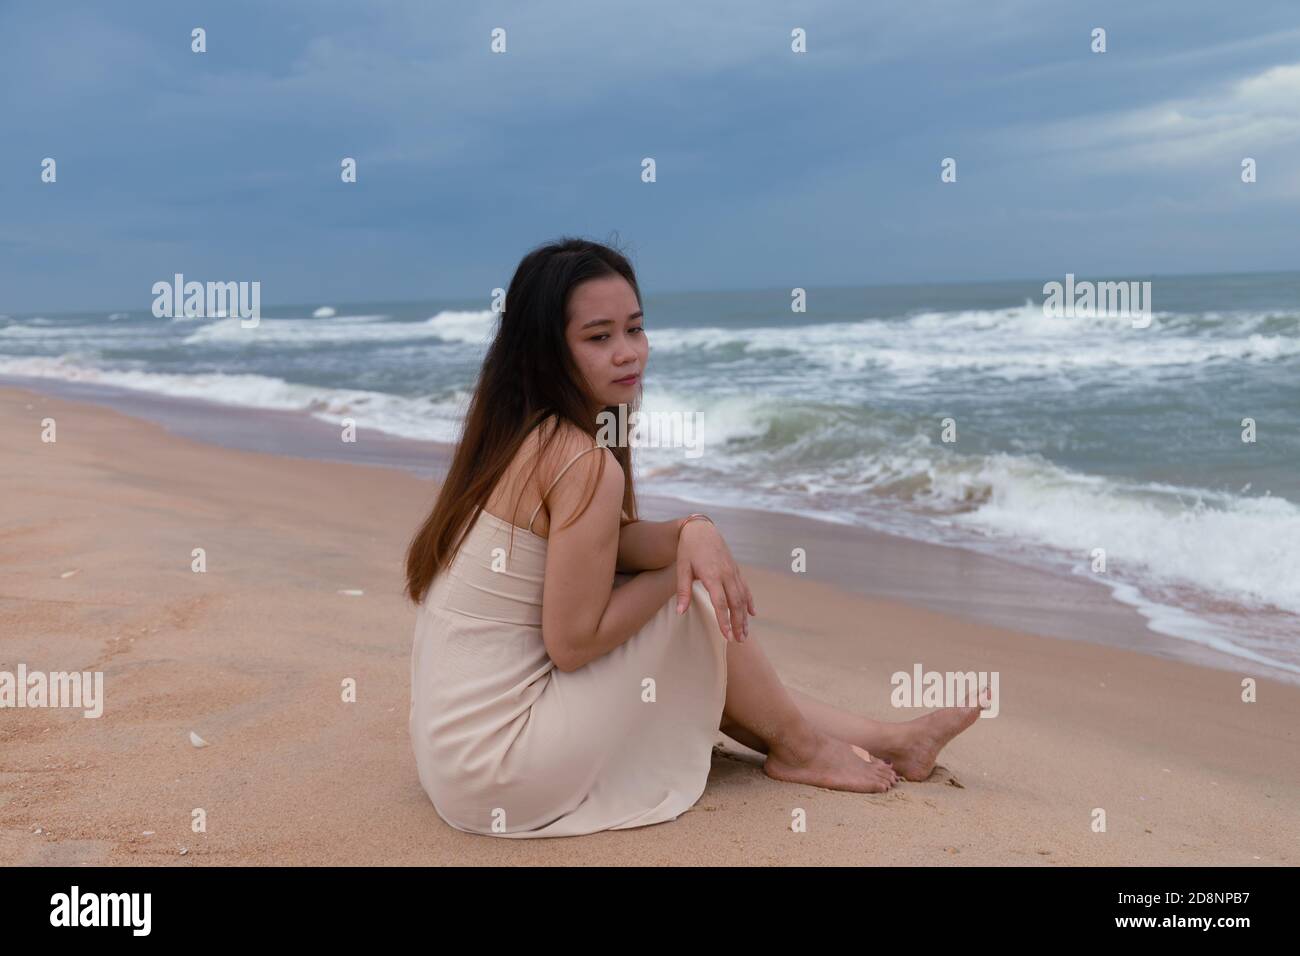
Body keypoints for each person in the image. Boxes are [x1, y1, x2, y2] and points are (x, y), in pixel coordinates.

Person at [405, 237, 984, 838]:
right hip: (503, 770)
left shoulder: (520, 437)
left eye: (635, 328)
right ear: (546, 351)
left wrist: (692, 532)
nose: (629, 353)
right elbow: (573, 643)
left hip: (453, 760)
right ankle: (803, 749)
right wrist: (676, 571)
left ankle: (888, 740)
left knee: (682, 590)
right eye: (599, 337)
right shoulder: (579, 461)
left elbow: (607, 545)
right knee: (689, 605)